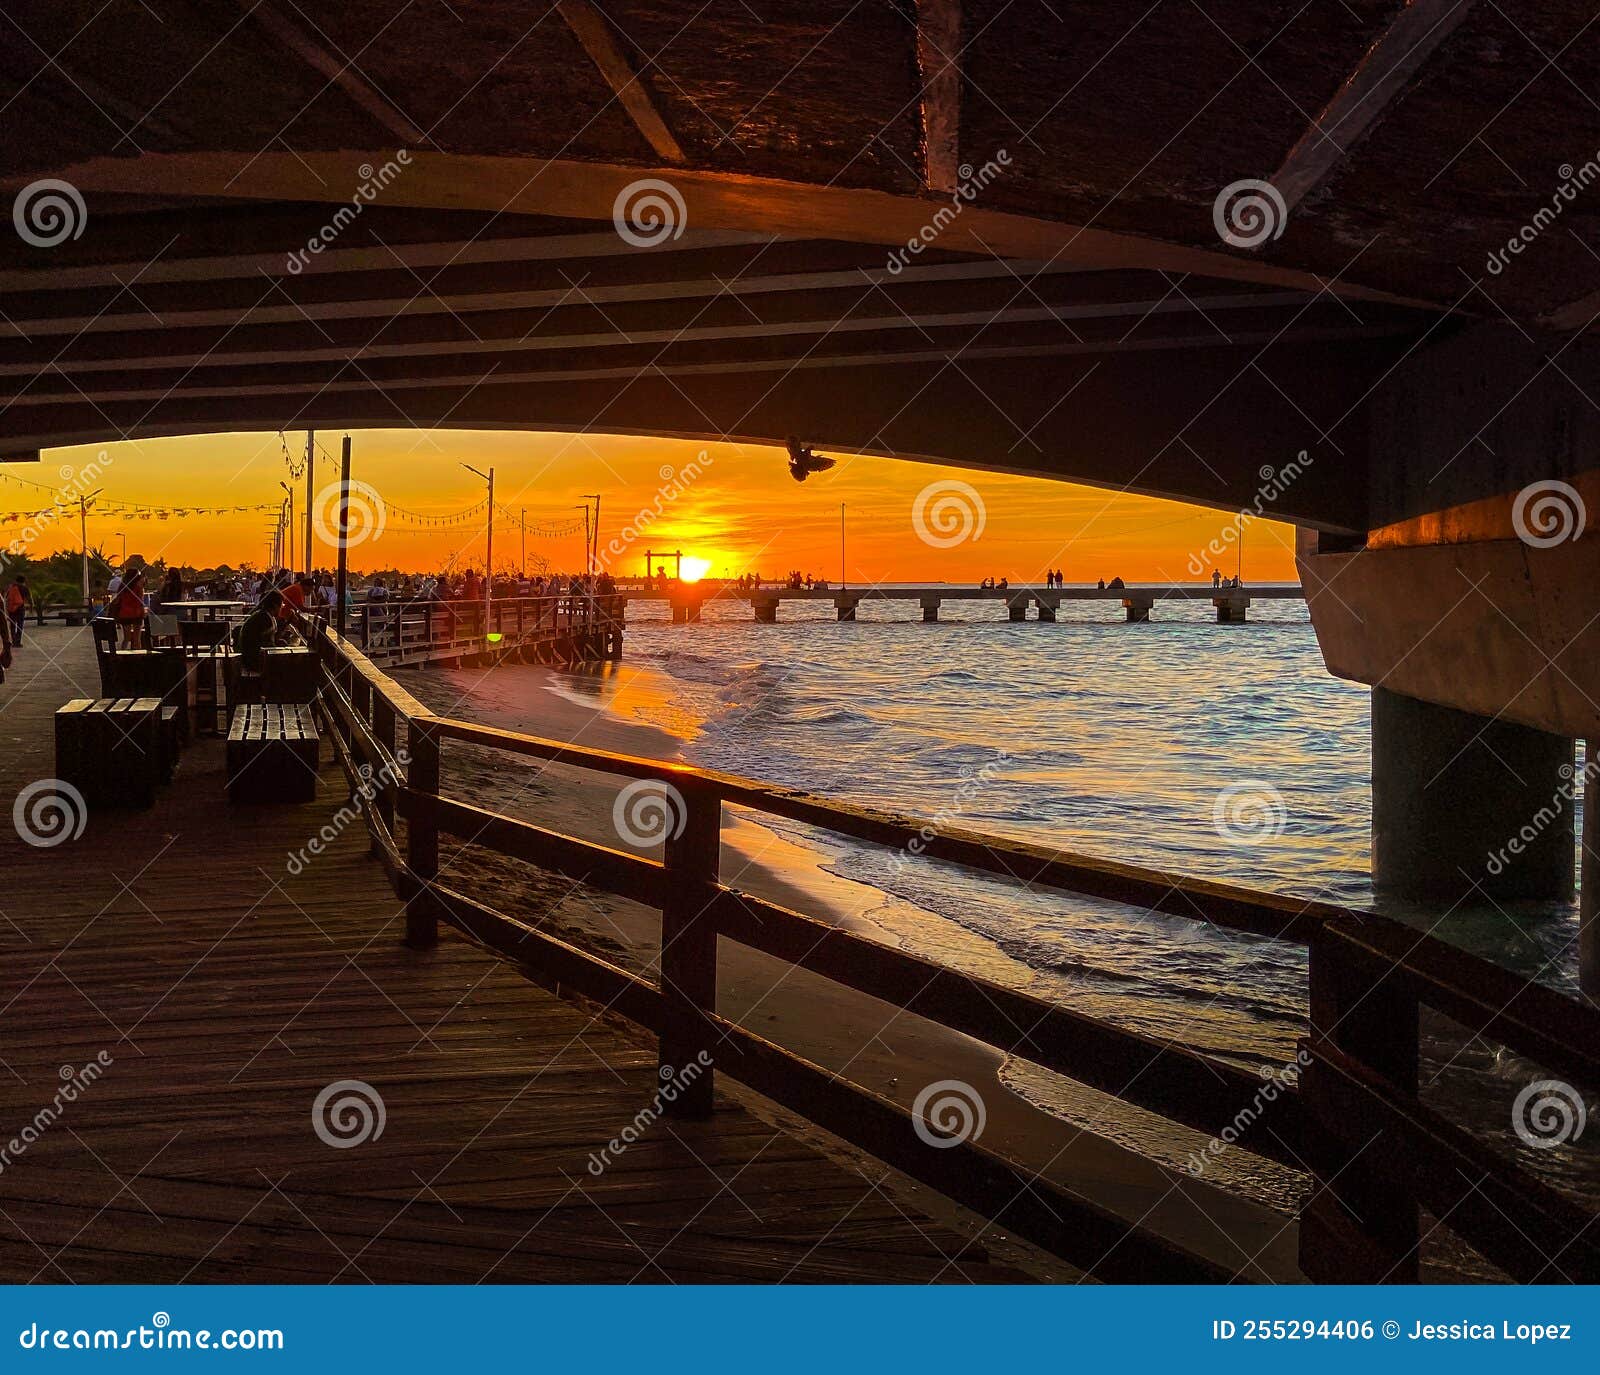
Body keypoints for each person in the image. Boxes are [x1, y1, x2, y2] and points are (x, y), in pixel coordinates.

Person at [238, 588, 282, 671]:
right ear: (275, 605)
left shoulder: (262, 615)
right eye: (281, 606)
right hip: (254, 662)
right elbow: (268, 646)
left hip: (248, 658)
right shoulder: (265, 619)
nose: (281, 609)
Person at [110, 566, 148, 648]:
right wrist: (143, 613)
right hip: (136, 613)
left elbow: (117, 600)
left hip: (124, 613)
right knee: (137, 639)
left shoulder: (122, 587)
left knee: (126, 638)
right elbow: (140, 602)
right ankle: (137, 657)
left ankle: (123, 654)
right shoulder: (138, 587)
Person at [6, 573, 30, 646]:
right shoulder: (25, 588)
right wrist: (31, 607)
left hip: (12, 609)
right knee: (20, 625)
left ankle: (13, 641)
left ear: (16, 580)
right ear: (24, 581)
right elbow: (29, 598)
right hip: (20, 608)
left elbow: (7, 598)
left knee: (12, 626)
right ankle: (18, 642)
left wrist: (7, 609)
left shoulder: (11, 587)